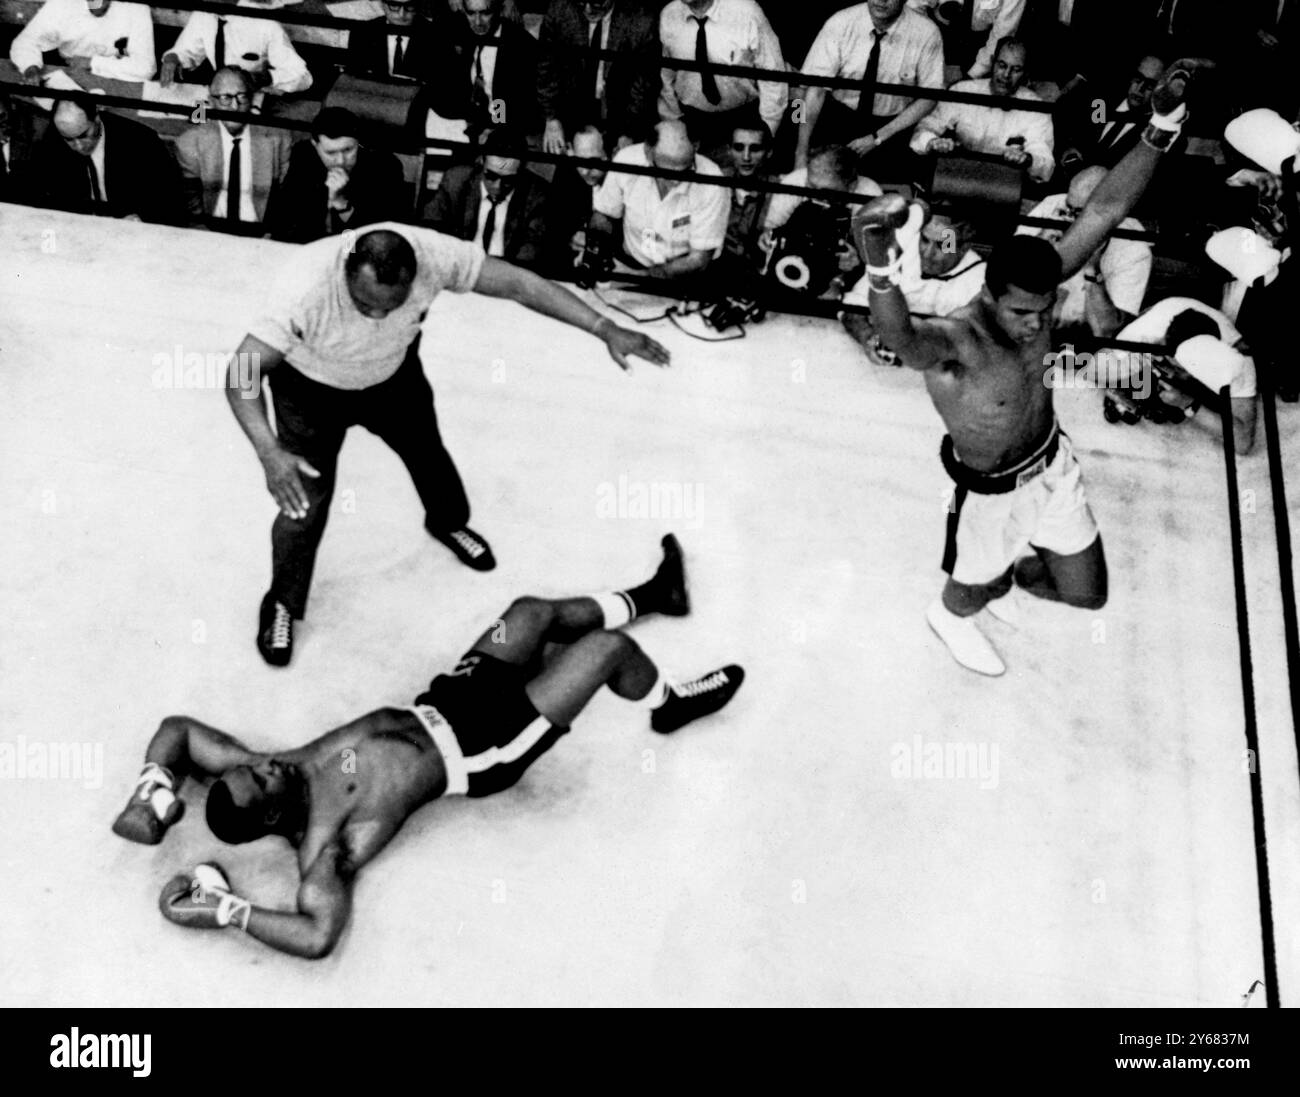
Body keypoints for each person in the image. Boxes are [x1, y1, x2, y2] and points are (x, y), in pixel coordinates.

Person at [110, 536, 745, 959]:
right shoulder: (327, 846)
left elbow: (179, 731)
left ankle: (656, 596)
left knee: (527, 613)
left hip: (449, 695)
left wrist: (152, 793)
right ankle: (670, 704)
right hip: (488, 745)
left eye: (255, 767)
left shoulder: (274, 769)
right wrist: (228, 910)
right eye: (263, 779)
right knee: (607, 654)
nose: (266, 762)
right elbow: (317, 934)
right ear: (272, 815)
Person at [851, 58, 1202, 676]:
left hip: (1052, 461)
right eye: (1022, 313)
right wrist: (878, 266)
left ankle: (1003, 579)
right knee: (969, 592)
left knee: (1087, 593)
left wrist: (1161, 127)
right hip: (989, 494)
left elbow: (1106, 209)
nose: (1037, 325)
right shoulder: (957, 338)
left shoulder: (1035, 288)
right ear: (990, 294)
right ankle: (952, 614)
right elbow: (900, 337)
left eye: (1045, 311)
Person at [222, 225, 670, 666]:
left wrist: (603, 327)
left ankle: (448, 522)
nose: (377, 318)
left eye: (390, 307)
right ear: (345, 271)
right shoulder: (302, 287)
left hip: (393, 379)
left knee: (428, 454)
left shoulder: (435, 254)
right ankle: (281, 602)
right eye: (365, 305)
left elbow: (518, 284)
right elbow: (241, 370)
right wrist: (268, 451)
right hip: (309, 392)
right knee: (303, 501)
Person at [795, 0, 944, 177]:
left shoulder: (927, 32)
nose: (881, 1)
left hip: (893, 126)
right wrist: (801, 152)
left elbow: (929, 97)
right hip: (839, 117)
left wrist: (878, 137)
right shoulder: (841, 22)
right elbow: (814, 90)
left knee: (883, 194)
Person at [1102, 297, 1259, 453]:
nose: (1171, 373)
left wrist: (1188, 404)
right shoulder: (1149, 329)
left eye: (1182, 371)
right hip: (1166, 307)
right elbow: (1101, 368)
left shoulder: (1237, 366)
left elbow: (1243, 443)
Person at [586, 119, 730, 286]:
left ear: (695, 147)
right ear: (648, 152)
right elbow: (604, 214)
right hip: (630, 262)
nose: (676, 182)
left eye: (685, 171)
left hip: (683, 279)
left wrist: (637, 278)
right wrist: (595, 252)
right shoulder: (627, 161)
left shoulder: (713, 182)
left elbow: (698, 261)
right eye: (667, 173)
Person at [1016, 165, 1152, 342]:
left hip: (1079, 343)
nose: (1069, 220)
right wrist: (1038, 249)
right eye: (1068, 208)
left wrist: (1091, 269)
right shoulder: (1052, 207)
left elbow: (1104, 331)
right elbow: (1006, 282)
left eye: (1079, 214)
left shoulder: (1134, 250)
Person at [840, 204, 985, 358]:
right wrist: (868, 337)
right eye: (924, 240)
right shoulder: (903, 247)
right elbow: (854, 305)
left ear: (964, 247)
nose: (928, 254)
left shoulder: (979, 282)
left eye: (942, 245)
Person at [657, 0, 789, 163]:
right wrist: (673, 121)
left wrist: (766, 130)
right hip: (692, 120)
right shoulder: (669, 14)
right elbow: (667, 74)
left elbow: (773, 75)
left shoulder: (747, 12)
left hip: (743, 118)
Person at [910, 36, 1054, 184]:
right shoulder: (963, 90)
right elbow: (922, 131)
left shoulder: (1036, 107)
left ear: (1026, 73)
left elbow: (1045, 162)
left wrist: (1028, 159)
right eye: (1002, 65)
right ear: (992, 62)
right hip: (956, 179)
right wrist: (932, 142)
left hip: (1005, 186)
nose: (1006, 75)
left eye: (1016, 70)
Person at [26, 95, 183, 224]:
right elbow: (39, 197)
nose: (78, 146)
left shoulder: (141, 141)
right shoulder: (51, 143)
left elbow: (170, 198)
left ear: (97, 117)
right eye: (69, 139)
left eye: (83, 135)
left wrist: (140, 219)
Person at [172, 67, 293, 230]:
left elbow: (285, 200)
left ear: (252, 99)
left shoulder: (278, 139)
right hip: (210, 232)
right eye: (225, 98)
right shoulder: (190, 142)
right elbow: (191, 207)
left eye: (242, 96)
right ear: (211, 101)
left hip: (260, 233)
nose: (235, 106)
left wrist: (271, 235)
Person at [265, 108, 407, 244]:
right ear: (315, 145)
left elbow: (356, 248)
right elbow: (286, 223)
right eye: (331, 153)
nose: (340, 160)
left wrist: (341, 204)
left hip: (355, 256)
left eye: (348, 150)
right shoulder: (304, 156)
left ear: (358, 142)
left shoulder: (384, 168)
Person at [537, 0, 660, 155]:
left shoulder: (642, 21)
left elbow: (643, 86)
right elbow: (546, 68)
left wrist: (628, 133)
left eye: (596, 4)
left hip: (619, 114)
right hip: (571, 109)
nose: (588, 10)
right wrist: (551, 119)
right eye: (582, 3)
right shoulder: (560, 9)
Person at [423, 127, 549, 267]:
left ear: (523, 170)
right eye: (491, 176)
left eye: (508, 180)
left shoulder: (537, 195)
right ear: (481, 161)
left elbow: (529, 254)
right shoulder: (455, 181)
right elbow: (430, 232)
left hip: (508, 274)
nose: (497, 187)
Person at [160, 0, 312, 96]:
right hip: (216, 94)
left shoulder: (263, 23)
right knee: (197, 123)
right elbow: (185, 50)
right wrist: (173, 58)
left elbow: (303, 77)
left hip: (252, 97)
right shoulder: (204, 13)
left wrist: (267, 77)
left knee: (239, 137)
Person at [1058, 56, 1168, 172]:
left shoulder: (1153, 134)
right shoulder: (1101, 104)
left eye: (1150, 85)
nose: (1140, 89)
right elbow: (1077, 133)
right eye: (1138, 79)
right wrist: (1068, 147)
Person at [448, 0, 540, 138]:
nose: (478, 22)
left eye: (485, 13)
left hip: (507, 126)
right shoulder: (461, 35)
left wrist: (495, 130)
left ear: (499, 10)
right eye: (471, 13)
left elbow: (521, 106)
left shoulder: (521, 45)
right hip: (471, 123)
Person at [10, 0, 155, 84]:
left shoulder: (137, 7)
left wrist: (91, 63)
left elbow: (146, 68)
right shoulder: (62, 4)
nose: (97, 3)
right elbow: (25, 41)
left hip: (116, 74)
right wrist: (30, 67)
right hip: (69, 71)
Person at [543, 123, 612, 276]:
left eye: (593, 161)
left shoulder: (621, 181)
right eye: (580, 162)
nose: (586, 171)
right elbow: (553, 230)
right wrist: (569, 240)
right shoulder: (565, 176)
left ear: (607, 156)